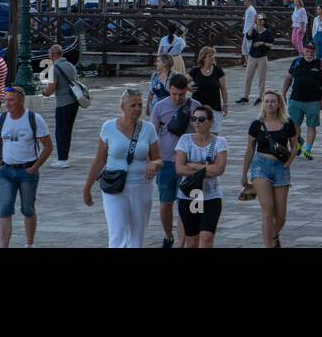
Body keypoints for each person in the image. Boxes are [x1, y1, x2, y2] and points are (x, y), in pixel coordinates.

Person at [82, 88, 161, 248]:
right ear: (123, 107)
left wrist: (154, 164)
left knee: (137, 235)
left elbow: (159, 159)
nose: (137, 109)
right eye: (133, 105)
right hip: (114, 186)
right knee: (117, 232)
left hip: (141, 186)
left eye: (140, 105)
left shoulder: (148, 129)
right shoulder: (108, 127)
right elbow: (99, 160)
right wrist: (87, 187)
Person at [0, 86, 53, 247]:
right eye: (6, 99)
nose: (8, 103)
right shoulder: (2, 119)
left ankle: (29, 244)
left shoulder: (34, 119)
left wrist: (35, 167)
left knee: (28, 209)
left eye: (11, 100)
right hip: (6, 171)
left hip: (27, 170)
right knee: (5, 209)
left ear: (21, 100)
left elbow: (48, 146)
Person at [241, 90, 299, 248]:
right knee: (268, 210)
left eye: (272, 101)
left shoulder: (287, 123)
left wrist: (288, 163)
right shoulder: (256, 124)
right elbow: (249, 149)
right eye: (266, 101)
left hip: (281, 168)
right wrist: (244, 174)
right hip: (261, 166)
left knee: (281, 216)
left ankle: (273, 235)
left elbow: (295, 146)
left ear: (279, 103)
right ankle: (268, 245)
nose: (269, 104)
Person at [150, 73, 199, 248]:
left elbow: (205, 134)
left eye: (181, 94)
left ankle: (183, 243)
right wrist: (153, 160)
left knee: (188, 205)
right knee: (165, 204)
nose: (178, 98)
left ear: (187, 91)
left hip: (190, 163)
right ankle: (168, 235)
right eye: (174, 94)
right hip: (167, 162)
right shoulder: (159, 107)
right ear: (169, 90)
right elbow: (152, 136)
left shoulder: (196, 106)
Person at [174, 104, 228, 248]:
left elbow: (219, 170)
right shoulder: (185, 140)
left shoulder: (219, 142)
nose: (197, 122)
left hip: (211, 195)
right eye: (194, 119)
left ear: (211, 121)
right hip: (190, 195)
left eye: (201, 119)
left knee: (206, 237)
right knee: (192, 240)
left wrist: (193, 165)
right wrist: (206, 170)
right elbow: (179, 167)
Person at [281, 41, 322, 159]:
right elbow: (288, 78)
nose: (309, 54)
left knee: (311, 126)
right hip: (295, 100)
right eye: (307, 51)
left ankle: (308, 150)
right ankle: (298, 144)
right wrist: (283, 93)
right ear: (303, 51)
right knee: (294, 126)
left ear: (315, 53)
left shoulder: (320, 64)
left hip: (313, 101)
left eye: (312, 52)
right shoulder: (296, 62)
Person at [42, 43, 81, 168]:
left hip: (63, 103)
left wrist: (44, 92)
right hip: (74, 102)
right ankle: (65, 156)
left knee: (60, 131)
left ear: (52, 55)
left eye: (49, 55)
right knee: (68, 130)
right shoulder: (71, 66)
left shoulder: (54, 68)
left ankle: (62, 159)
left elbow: (50, 90)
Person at [188, 46, 228, 128]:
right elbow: (182, 82)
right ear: (203, 58)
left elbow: (223, 89)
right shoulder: (195, 71)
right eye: (210, 55)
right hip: (197, 107)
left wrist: (225, 104)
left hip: (214, 107)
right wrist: (188, 87)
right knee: (198, 131)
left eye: (213, 55)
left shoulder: (218, 71)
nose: (213, 57)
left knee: (214, 133)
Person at [241, 14, 274, 103]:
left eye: (261, 19)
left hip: (262, 57)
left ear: (264, 21)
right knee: (248, 77)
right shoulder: (254, 30)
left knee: (261, 78)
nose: (260, 21)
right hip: (252, 56)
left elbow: (271, 45)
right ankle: (245, 96)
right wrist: (253, 23)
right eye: (258, 19)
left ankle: (260, 96)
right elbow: (248, 36)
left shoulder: (268, 32)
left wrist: (262, 43)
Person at [237, 0, 258, 97]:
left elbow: (254, 21)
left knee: (248, 48)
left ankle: (250, 63)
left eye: (244, 1)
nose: (243, 3)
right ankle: (248, 62)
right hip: (246, 31)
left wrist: (251, 32)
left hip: (249, 32)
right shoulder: (248, 10)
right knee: (244, 48)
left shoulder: (251, 10)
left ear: (248, 1)